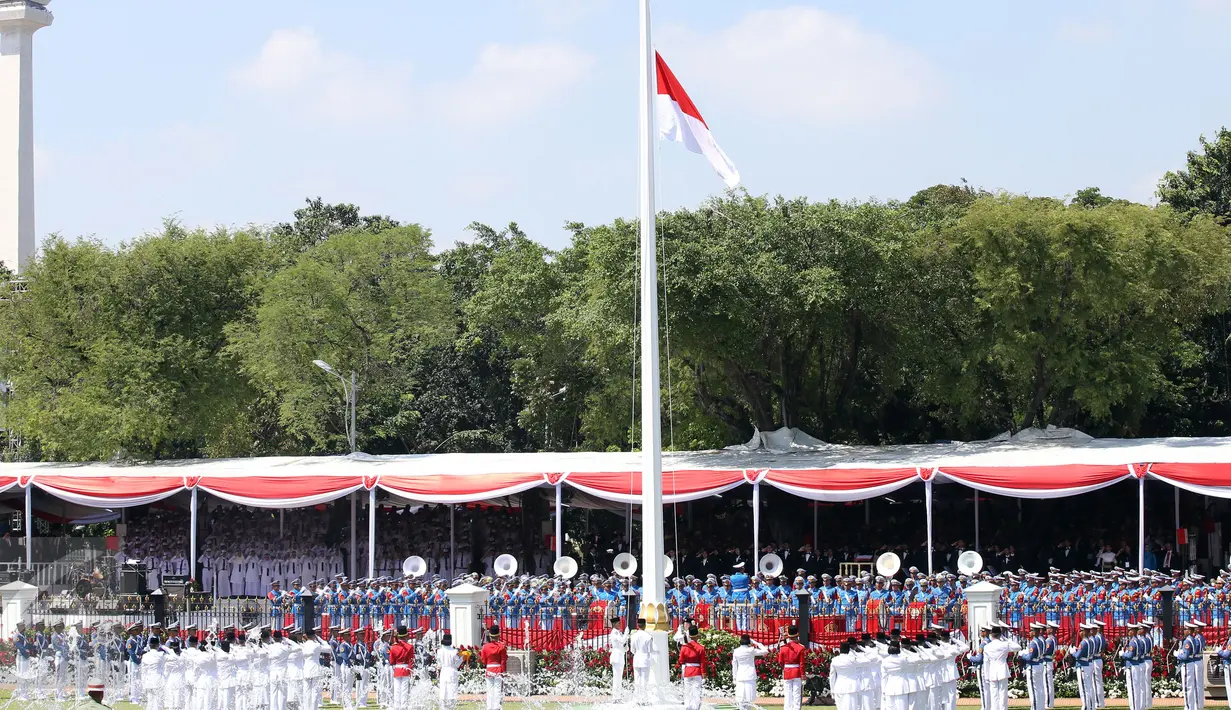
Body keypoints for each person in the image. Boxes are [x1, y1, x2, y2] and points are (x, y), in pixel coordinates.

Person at [981, 625, 1021, 710]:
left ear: (991, 635)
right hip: (1002, 669)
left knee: (994, 694)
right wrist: (1006, 638)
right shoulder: (1004, 644)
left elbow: (986, 662)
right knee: (1003, 693)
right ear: (1000, 635)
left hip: (992, 670)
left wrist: (986, 676)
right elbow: (1018, 647)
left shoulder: (987, 647)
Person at [732, 633, 769, 710]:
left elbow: (734, 665)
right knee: (749, 700)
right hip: (749, 676)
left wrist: (734, 677)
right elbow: (765, 651)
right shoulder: (751, 650)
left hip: (740, 676)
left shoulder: (736, 651)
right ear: (749, 641)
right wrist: (756, 642)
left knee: (740, 699)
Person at [676, 624, 706, 710]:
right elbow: (703, 662)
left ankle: (688, 707)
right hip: (697, 671)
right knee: (696, 692)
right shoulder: (701, 648)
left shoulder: (684, 647)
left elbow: (681, 660)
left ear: (689, 636)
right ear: (697, 635)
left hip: (688, 671)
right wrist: (703, 674)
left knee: (687, 691)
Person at [777, 624, 807, 710]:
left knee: (788, 693)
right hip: (797, 671)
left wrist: (786, 667)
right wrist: (803, 676)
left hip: (787, 671)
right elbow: (802, 664)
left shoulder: (783, 647)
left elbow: (780, 662)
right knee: (796, 693)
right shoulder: (800, 647)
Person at [479, 624, 508, 710]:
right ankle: (496, 707)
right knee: (497, 689)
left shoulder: (485, 647)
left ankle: (489, 707)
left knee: (490, 690)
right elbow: (503, 661)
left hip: (489, 669)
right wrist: (504, 671)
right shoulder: (502, 647)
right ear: (498, 635)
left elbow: (483, 660)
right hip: (498, 669)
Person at [1020, 623, 1046, 710]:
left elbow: (1029, 658)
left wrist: (1022, 655)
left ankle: (1034, 708)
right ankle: (1040, 707)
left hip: (1033, 666)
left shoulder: (1033, 643)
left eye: (1031, 630)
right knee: (1039, 688)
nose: (1029, 632)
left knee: (1033, 690)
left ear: (1035, 632)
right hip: (1039, 664)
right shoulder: (1041, 641)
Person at [388, 626, 415, 709]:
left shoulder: (394, 647)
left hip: (397, 669)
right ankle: (403, 706)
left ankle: (397, 706)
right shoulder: (409, 646)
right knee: (404, 690)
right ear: (406, 636)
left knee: (397, 689)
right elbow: (411, 660)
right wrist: (411, 670)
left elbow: (392, 661)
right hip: (406, 669)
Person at [629, 617, 654, 705]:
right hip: (645, 658)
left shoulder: (633, 635)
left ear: (638, 625)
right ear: (645, 625)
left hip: (637, 658)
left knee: (637, 679)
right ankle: (644, 699)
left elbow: (632, 650)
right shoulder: (648, 636)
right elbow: (650, 650)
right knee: (644, 680)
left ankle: (637, 699)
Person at [829, 641, 860, 710]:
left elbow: (832, 676)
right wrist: (856, 652)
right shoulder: (853, 659)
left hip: (839, 687)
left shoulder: (834, 660)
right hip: (851, 687)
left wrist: (832, 690)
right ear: (849, 650)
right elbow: (867, 660)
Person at [436, 632, 462, 710]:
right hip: (452, 670)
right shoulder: (454, 651)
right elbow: (457, 664)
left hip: (444, 671)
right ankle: (451, 708)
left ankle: (443, 708)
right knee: (452, 691)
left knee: (443, 690)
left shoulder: (439, 651)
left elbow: (439, 664)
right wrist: (462, 658)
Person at [608, 618, 628, 699]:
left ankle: (618, 696)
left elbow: (622, 645)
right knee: (616, 677)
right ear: (614, 624)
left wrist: (626, 648)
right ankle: (615, 697)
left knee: (619, 677)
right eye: (618, 623)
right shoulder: (614, 633)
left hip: (620, 656)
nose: (620, 624)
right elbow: (622, 640)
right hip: (616, 657)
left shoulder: (618, 633)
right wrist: (626, 633)